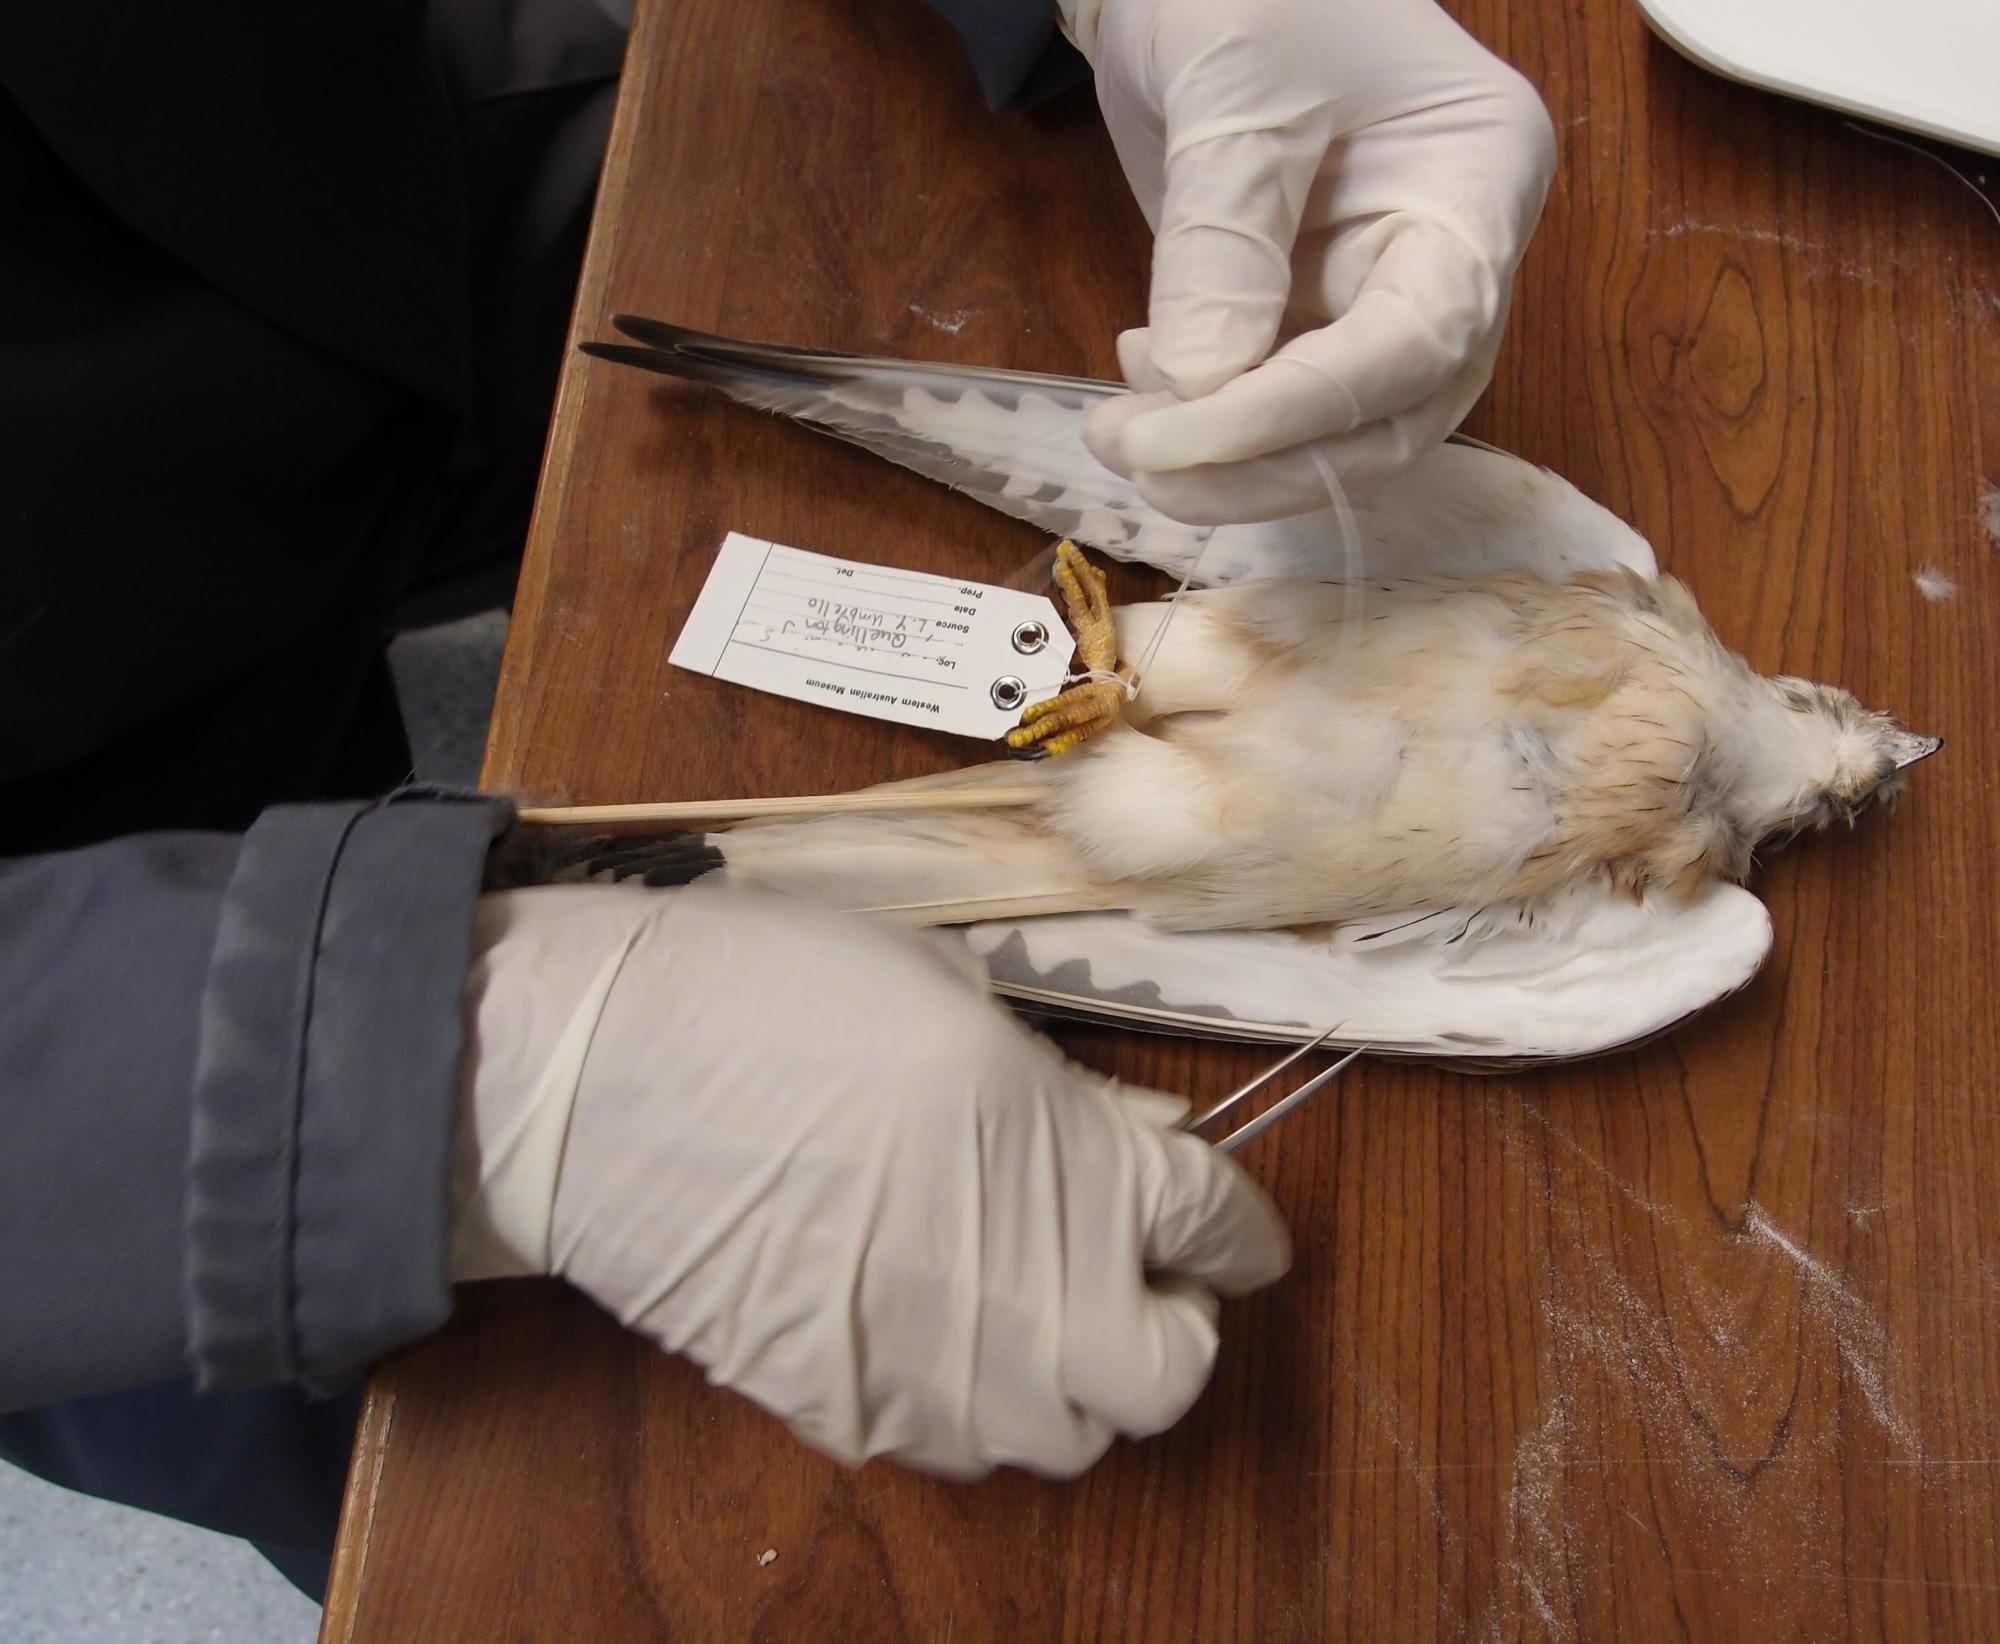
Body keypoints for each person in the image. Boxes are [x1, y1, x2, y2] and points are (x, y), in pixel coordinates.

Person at [0, 0, 1554, 1600]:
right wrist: (467, 1082)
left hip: (277, 177)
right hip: (86, 1043)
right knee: (512, 1524)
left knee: (735, 219)